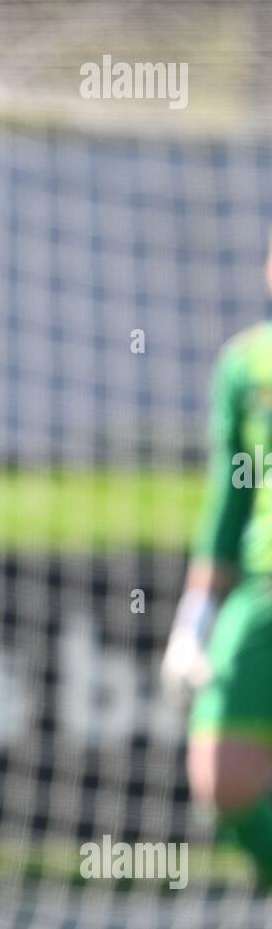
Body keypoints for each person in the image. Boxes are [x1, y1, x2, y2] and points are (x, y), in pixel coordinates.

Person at [161, 233, 272, 890]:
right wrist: (196, 615)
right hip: (261, 594)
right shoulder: (245, 364)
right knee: (221, 776)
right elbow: (229, 500)